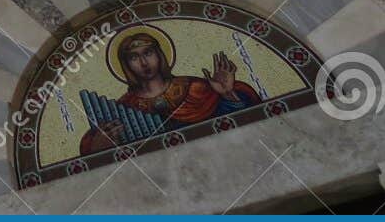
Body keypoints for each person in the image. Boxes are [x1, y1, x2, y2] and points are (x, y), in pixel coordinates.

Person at [80, 25, 260, 155]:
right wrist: (99, 148)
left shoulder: (196, 88)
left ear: (160, 55)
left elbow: (248, 124)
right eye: (134, 57)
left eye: (148, 53)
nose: (143, 63)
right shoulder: (124, 110)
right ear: (126, 66)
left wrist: (227, 94)